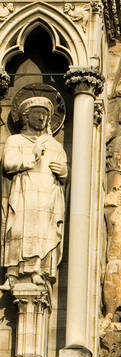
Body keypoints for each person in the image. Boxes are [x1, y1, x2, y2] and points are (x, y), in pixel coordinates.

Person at [1, 93, 67, 283]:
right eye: (37, 113)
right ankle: (13, 272)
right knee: (18, 230)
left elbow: (63, 168)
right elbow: (8, 163)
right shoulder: (16, 140)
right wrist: (33, 156)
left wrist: (63, 172)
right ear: (26, 117)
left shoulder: (55, 145)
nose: (41, 118)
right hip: (24, 193)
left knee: (42, 231)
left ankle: (38, 268)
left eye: (45, 115)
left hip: (48, 197)